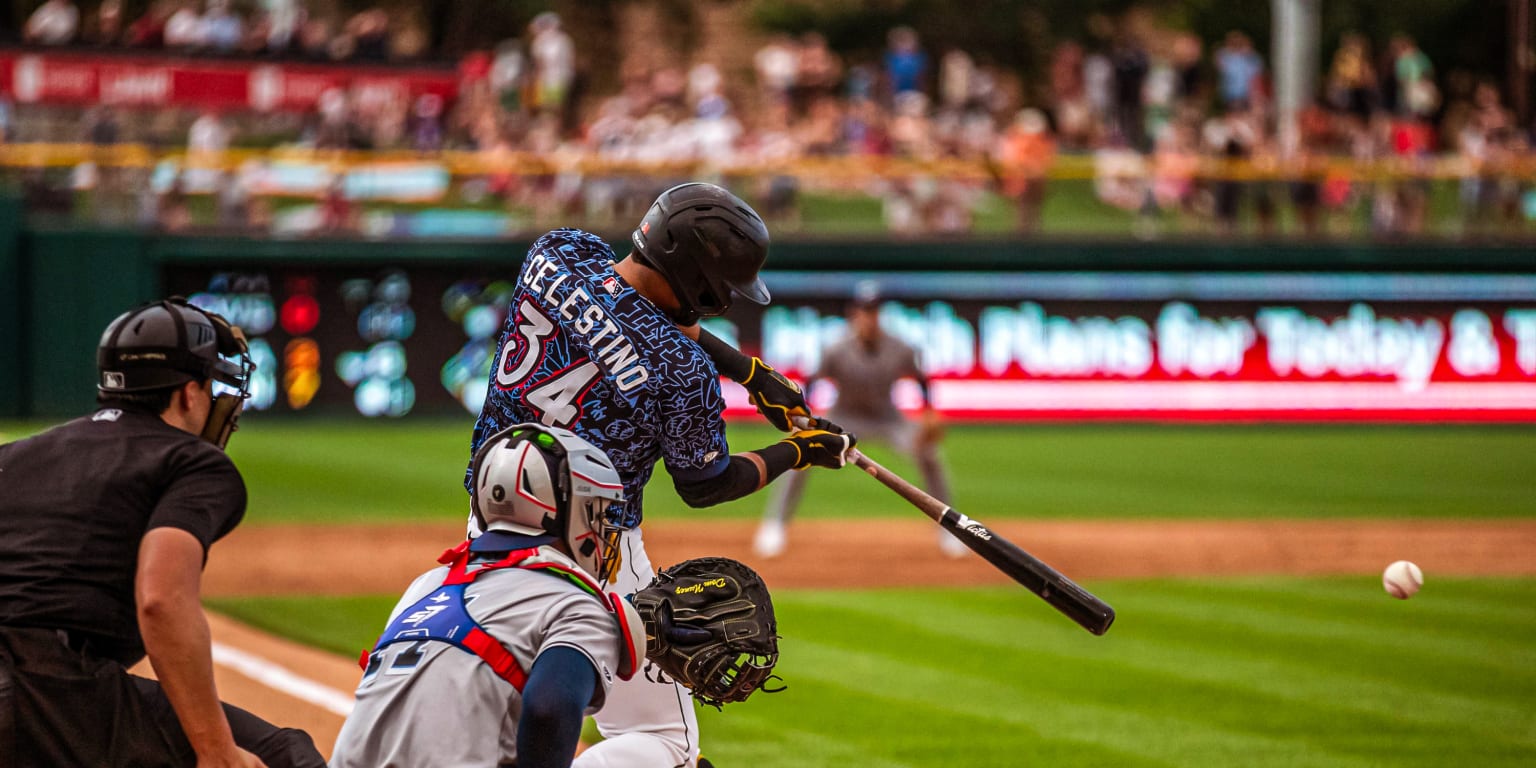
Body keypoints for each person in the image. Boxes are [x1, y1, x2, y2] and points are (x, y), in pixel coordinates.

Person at [468, 181, 854, 767]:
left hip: (486, 529)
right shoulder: (682, 374)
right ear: (699, 278)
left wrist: (750, 373)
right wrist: (797, 450)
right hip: (593, 554)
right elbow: (707, 483)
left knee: (506, 721)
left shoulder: (557, 252)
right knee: (666, 744)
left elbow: (632, 307)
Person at [0, 297, 325, 767]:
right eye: (211, 385)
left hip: (35, 694)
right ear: (189, 393)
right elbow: (162, 600)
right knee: (281, 756)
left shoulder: (15, 455)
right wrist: (215, 752)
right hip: (46, 694)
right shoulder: (190, 461)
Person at [332, 423, 640, 768]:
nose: (601, 525)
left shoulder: (428, 584)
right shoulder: (577, 605)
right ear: (565, 512)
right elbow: (548, 709)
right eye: (594, 511)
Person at [753, 282, 962, 559]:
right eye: (864, 310)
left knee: (929, 454)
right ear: (854, 313)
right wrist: (805, 417)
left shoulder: (899, 346)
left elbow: (921, 378)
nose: (869, 317)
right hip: (844, 416)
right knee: (798, 454)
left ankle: (948, 530)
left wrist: (928, 410)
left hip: (888, 418)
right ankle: (775, 525)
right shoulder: (837, 347)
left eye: (874, 311)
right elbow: (812, 381)